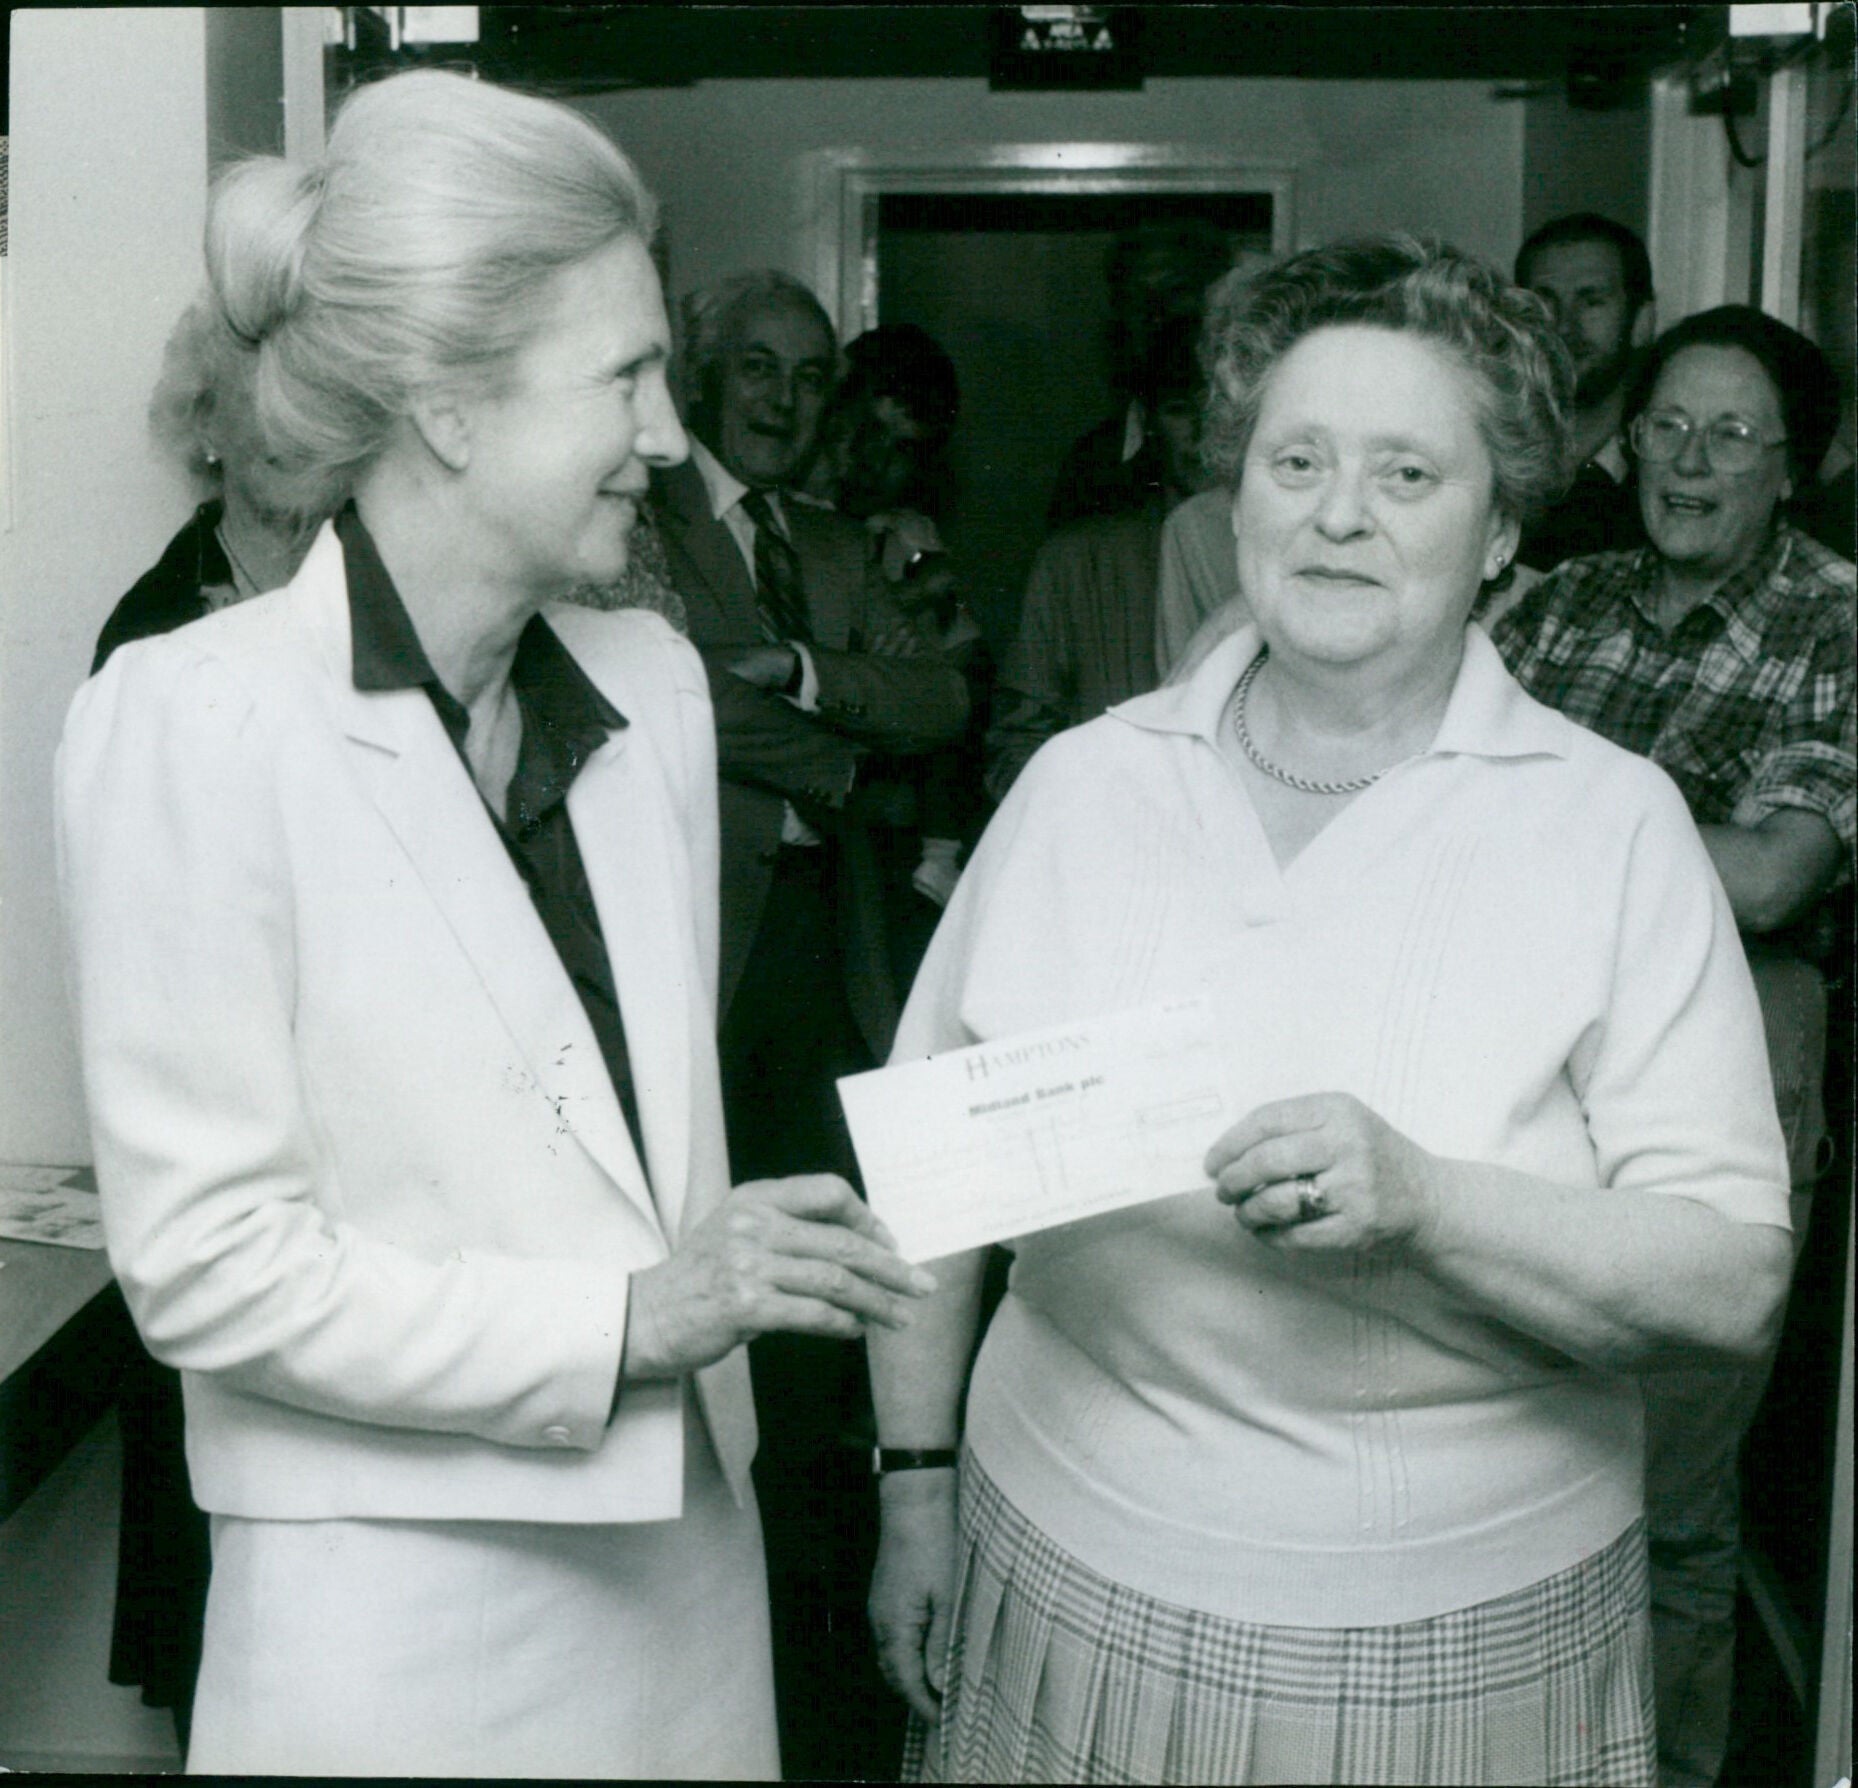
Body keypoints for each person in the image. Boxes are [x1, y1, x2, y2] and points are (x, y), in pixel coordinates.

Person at [56, 70, 931, 1780]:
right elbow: (209, 1267)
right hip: (398, 1623)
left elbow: (595, 1135)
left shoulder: (651, 686)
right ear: (448, 406)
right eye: (624, 376)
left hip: (689, 1576)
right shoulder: (189, 721)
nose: (668, 436)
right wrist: (629, 1322)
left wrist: (722, 1272)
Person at [866, 236, 1794, 1787]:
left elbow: (1729, 1281)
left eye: (1405, 474)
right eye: (1293, 462)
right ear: (1233, 501)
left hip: (1462, 1633)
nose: (1337, 514)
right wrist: (912, 1489)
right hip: (1057, 1562)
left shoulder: (1607, 825)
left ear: (1503, 530)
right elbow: (928, 1189)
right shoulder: (1084, 786)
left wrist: (1426, 1202)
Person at [1491, 304, 1854, 1788]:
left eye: (1729, 435)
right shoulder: (1558, 602)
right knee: (1509, 1463)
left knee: (1666, 1499)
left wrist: (1537, 819)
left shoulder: (1834, 619)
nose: (1687, 462)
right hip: (1520, 1050)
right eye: (1664, 427)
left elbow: (1768, 877)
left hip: (1728, 1060)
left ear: (1792, 467)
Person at [649, 270, 969, 1782]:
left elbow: (940, 700)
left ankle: (821, 1645)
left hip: (830, 959)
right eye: (756, 368)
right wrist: (841, 761)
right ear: (702, 377)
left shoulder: (838, 543)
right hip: (695, 965)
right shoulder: (637, 528)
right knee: (701, 1282)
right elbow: (672, 700)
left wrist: (797, 673)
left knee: (828, 1293)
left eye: (808, 373)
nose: (783, 398)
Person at [91, 291, 326, 1756]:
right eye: (259, 399)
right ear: (206, 430)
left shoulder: (383, 592)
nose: (292, 425)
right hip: (231, 1123)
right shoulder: (151, 634)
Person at [800, 323, 992, 987]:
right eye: (867, 430)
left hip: (883, 826)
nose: (875, 460)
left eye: (904, 448)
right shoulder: (779, 517)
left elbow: (964, 671)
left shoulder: (906, 537)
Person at [986, 314, 1216, 800]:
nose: (1204, 432)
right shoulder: (1076, 563)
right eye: (1180, 410)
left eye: (1221, 409)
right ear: (1146, 422)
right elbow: (1016, 746)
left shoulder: (1292, 565)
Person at [1045, 217, 1237, 529]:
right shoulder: (1092, 461)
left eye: (1175, 292)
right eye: (1135, 298)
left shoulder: (1253, 443)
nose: (1154, 314)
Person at [1512, 213, 1655, 572]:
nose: (1564, 326)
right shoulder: (1492, 464)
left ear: (1642, 322)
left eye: (1592, 301)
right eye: (1545, 303)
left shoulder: (1661, 482)